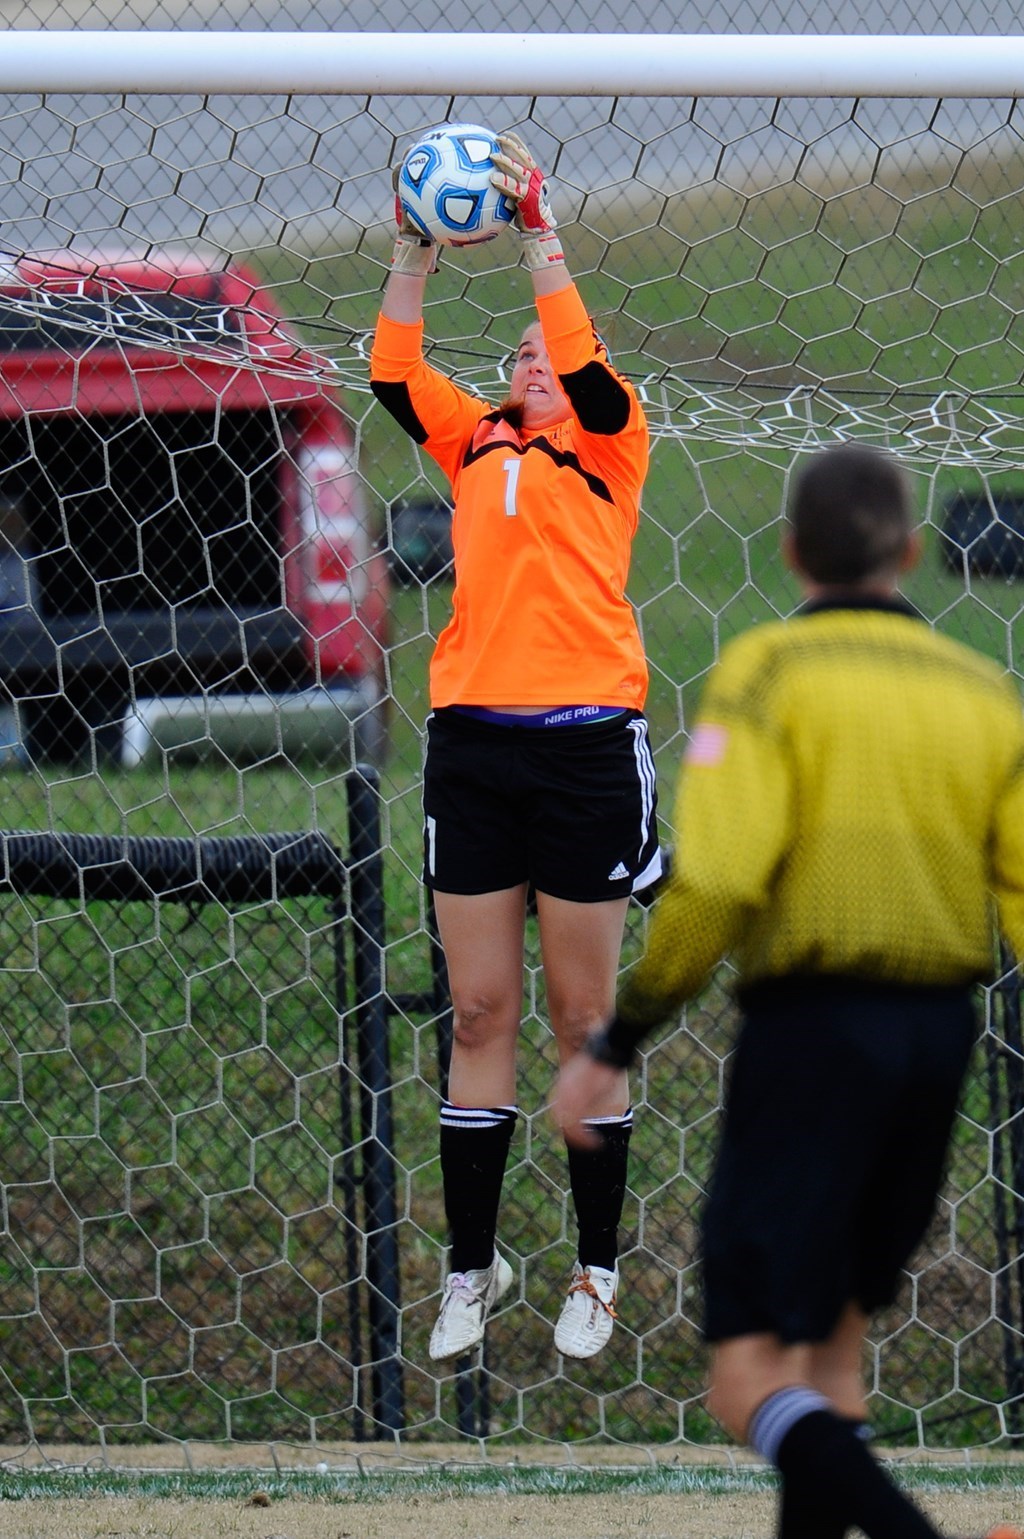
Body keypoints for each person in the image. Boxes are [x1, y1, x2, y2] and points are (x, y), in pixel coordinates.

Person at [551, 442, 1024, 1539]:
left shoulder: (768, 674)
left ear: (791, 551)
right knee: (831, 1360)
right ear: (912, 552)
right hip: (936, 1036)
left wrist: (617, 1039)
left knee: (747, 1380)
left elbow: (716, 885)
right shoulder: (982, 693)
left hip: (813, 1035)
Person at [370, 130, 661, 1364]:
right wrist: (412, 253)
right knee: (478, 1008)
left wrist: (540, 231)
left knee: (580, 1013)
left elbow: (584, 361)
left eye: (548, 349)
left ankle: (595, 1268)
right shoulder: (475, 441)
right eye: (521, 353)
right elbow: (394, 370)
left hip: (587, 745)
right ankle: (470, 1270)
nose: (532, 356)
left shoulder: (610, 439)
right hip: (472, 749)